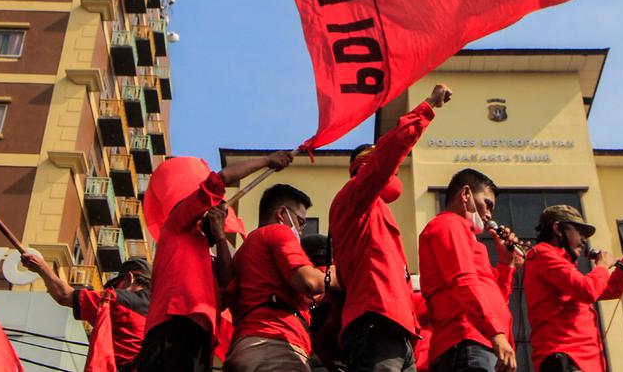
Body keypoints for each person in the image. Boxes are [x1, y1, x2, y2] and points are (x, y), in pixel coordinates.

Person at [330, 83, 453, 372]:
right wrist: (426, 108)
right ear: (366, 166)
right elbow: (386, 157)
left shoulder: (374, 211)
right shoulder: (355, 198)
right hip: (376, 322)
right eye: (391, 168)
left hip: (398, 329)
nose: (394, 173)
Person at [135, 151, 295, 372]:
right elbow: (218, 181)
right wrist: (267, 161)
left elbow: (228, 284)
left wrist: (220, 237)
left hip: (202, 339)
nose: (215, 211)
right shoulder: (176, 226)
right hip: (172, 328)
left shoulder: (207, 255)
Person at [524, 206, 623, 372]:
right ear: (557, 228)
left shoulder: (565, 266)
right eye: (579, 231)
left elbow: (612, 289)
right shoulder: (542, 254)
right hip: (566, 358)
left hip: (583, 362)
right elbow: (587, 291)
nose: (584, 240)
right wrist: (602, 266)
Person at [419, 168, 522, 372]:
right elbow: (462, 280)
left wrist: (506, 263)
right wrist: (496, 333)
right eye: (487, 203)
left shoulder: (470, 239)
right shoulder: (449, 223)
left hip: (481, 345)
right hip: (466, 343)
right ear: (466, 194)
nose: (489, 214)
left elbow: (495, 299)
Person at [225, 184, 326, 371]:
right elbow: (309, 282)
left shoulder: (244, 252)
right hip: (275, 344)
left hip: (244, 346)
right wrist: (334, 276)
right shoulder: (278, 232)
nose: (302, 230)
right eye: (301, 221)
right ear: (282, 214)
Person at [23, 254, 151, 372]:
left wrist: (42, 268)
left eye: (115, 285)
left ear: (129, 278)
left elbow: (64, 295)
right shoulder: (158, 315)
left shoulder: (116, 301)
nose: (113, 289)